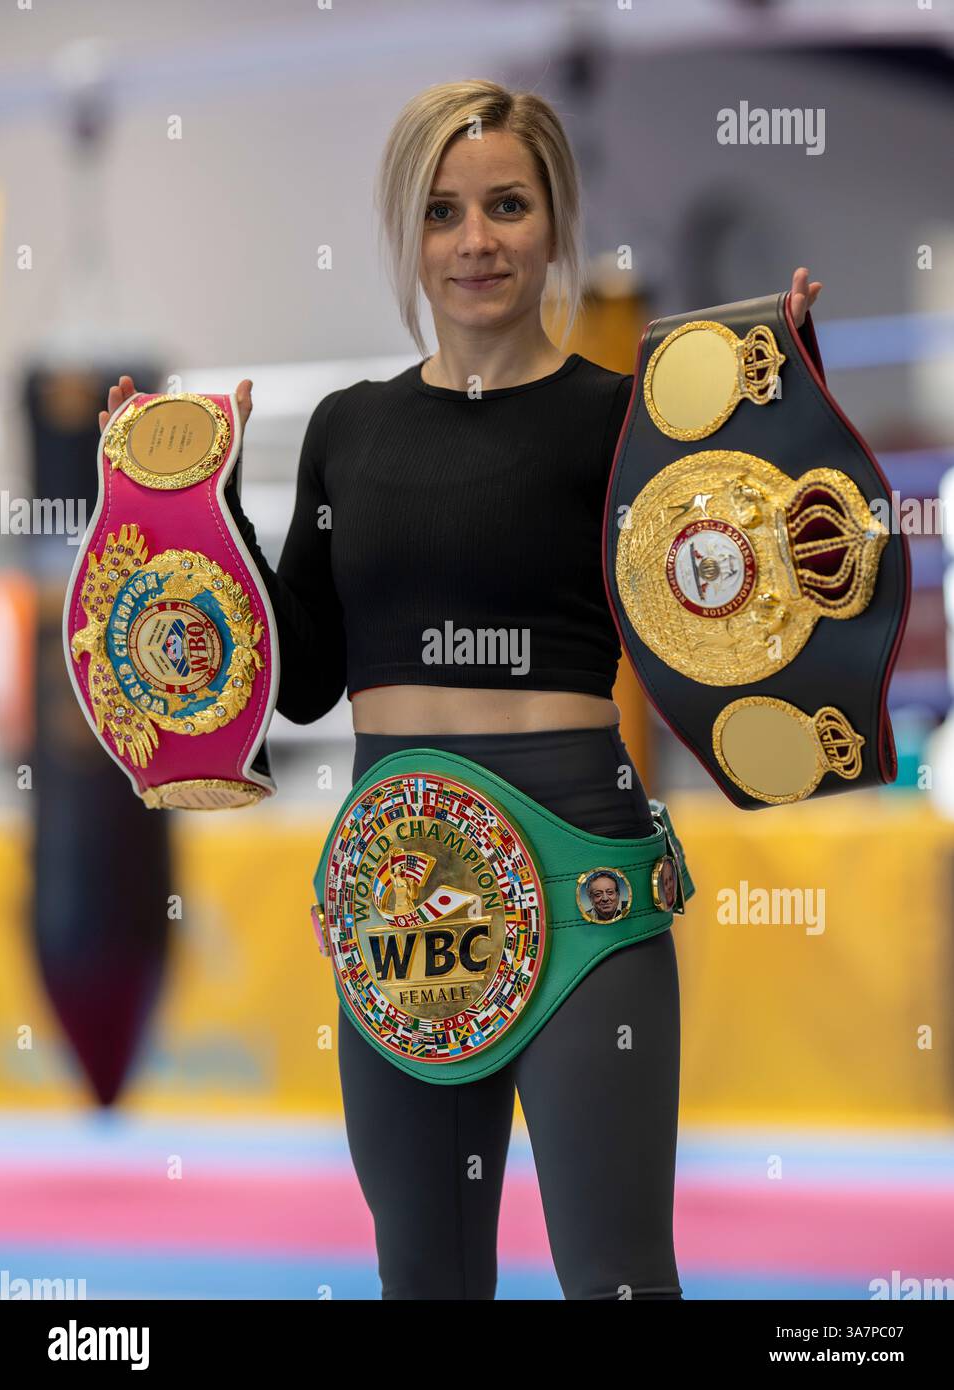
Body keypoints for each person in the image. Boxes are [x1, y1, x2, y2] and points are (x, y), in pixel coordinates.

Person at [100, 79, 821, 1301]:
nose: (474, 239)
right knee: (424, 1278)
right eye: (441, 212)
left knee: (617, 1277)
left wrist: (784, 411)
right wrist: (183, 516)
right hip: (393, 892)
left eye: (505, 205)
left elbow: (727, 605)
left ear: (552, 223)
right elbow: (311, 677)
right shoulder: (346, 430)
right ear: (408, 234)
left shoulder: (622, 422)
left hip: (583, 882)